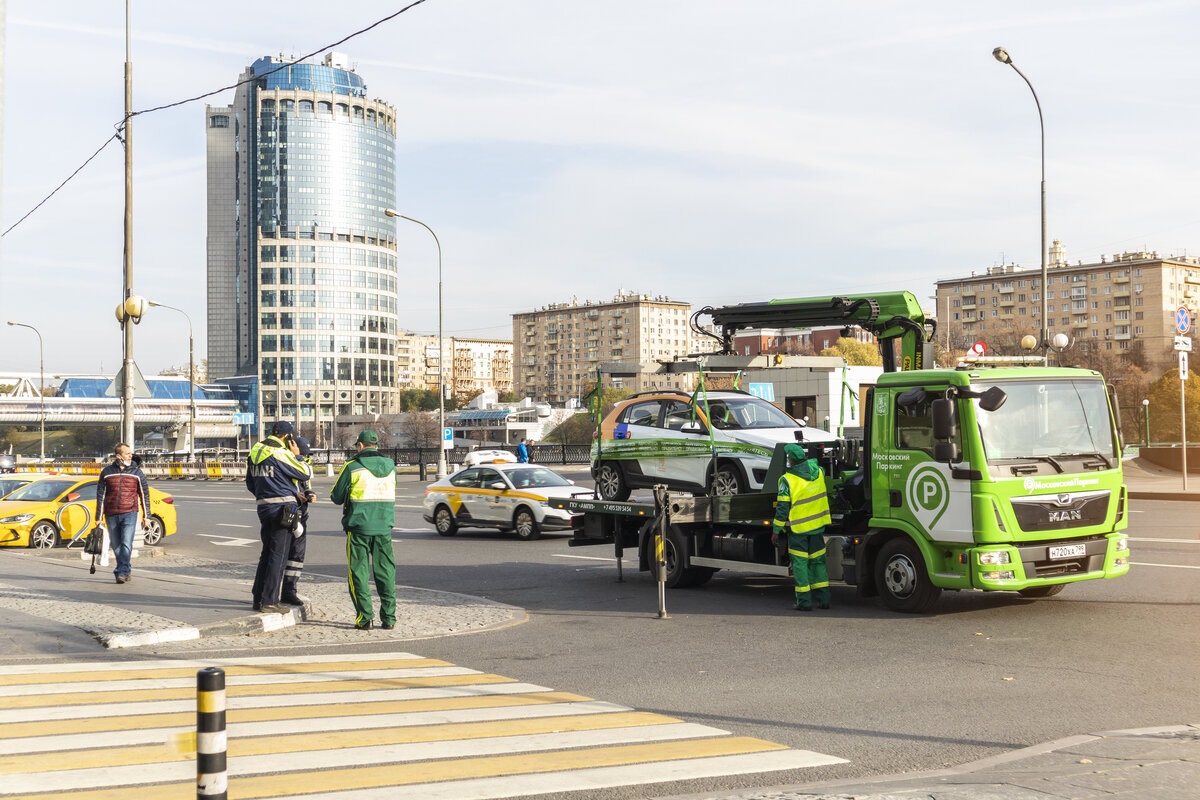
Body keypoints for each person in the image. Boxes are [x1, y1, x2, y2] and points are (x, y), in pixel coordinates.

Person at [330, 430, 397, 630]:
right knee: (386, 573)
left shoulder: (352, 466)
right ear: (376, 446)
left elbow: (336, 497)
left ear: (360, 446)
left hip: (358, 528)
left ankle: (365, 617)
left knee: (358, 574)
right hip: (384, 527)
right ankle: (389, 619)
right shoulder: (391, 466)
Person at [246, 421, 313, 614]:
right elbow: (304, 472)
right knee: (278, 556)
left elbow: (251, 484)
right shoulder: (280, 453)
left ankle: (258, 598)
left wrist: (266, 494)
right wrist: (297, 456)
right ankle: (270, 601)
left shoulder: (255, 451)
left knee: (266, 553)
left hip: (264, 508)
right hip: (283, 509)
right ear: (287, 437)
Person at [771, 443, 832, 611]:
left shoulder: (787, 480)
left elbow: (782, 509)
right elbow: (820, 468)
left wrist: (776, 531)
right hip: (817, 526)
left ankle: (804, 602)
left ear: (790, 460)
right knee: (818, 562)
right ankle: (824, 599)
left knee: (800, 564)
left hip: (799, 530)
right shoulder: (818, 472)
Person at [95, 442, 151, 584]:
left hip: (130, 512)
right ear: (118, 456)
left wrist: (147, 516)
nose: (130, 455)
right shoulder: (106, 472)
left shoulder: (137, 473)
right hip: (111, 513)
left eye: (130, 453)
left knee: (126, 544)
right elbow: (100, 495)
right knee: (116, 545)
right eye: (127, 453)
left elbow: (144, 495)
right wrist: (98, 517)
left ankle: (121, 572)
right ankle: (126, 569)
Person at [281, 436, 318, 605]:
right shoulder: (287, 462)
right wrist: (296, 496)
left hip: (302, 514)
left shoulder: (302, 464)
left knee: (296, 556)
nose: (305, 458)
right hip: (288, 513)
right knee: (280, 554)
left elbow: (306, 483)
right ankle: (272, 592)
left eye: (307, 455)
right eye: (303, 454)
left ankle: (290, 590)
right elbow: (282, 486)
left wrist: (310, 494)